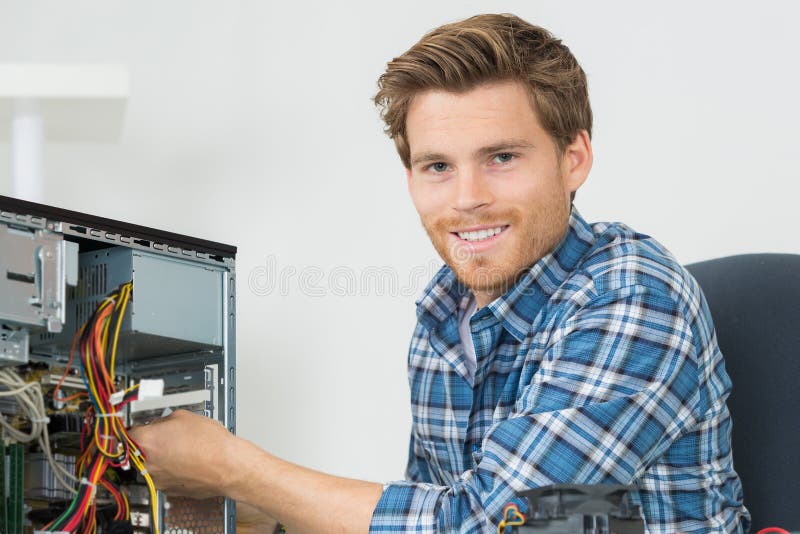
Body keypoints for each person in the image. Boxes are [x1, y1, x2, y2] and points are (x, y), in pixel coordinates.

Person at [130, 13, 750, 533]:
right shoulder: (445, 310)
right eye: (437, 167)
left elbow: (485, 523)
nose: (466, 198)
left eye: (501, 157)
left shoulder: (633, 298)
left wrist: (239, 469)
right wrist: (225, 512)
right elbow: (426, 517)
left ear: (574, 158)